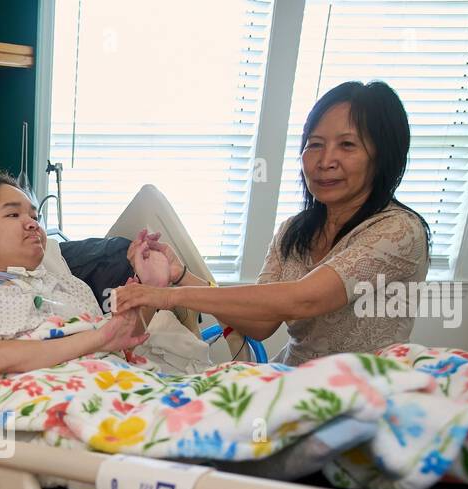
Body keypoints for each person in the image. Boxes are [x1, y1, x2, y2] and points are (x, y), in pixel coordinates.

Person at [114, 80, 431, 365]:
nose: (325, 161)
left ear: (383, 156)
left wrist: (168, 296)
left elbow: (302, 298)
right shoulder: (294, 231)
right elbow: (260, 323)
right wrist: (180, 275)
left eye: (347, 145)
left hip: (359, 396)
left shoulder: (400, 231)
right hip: (291, 381)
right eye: (315, 144)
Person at [0, 170, 165, 378]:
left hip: (105, 379)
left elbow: (118, 341)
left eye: (34, 216)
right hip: (36, 393)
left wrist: (153, 289)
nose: (32, 224)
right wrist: (99, 338)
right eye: (13, 214)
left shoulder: (69, 286)